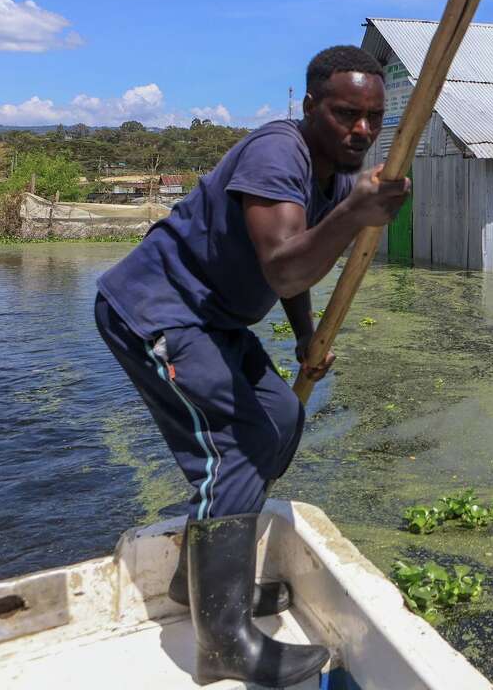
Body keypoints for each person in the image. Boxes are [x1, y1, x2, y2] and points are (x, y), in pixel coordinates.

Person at [94, 44, 410, 687]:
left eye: (374, 118)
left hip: (213, 319)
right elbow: (285, 264)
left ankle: (203, 585)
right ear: (310, 105)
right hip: (155, 311)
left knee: (281, 416)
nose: (362, 131)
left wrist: (305, 337)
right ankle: (224, 639)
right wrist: (355, 213)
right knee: (235, 447)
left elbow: (297, 275)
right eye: (347, 113)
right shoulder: (278, 153)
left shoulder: (337, 178)